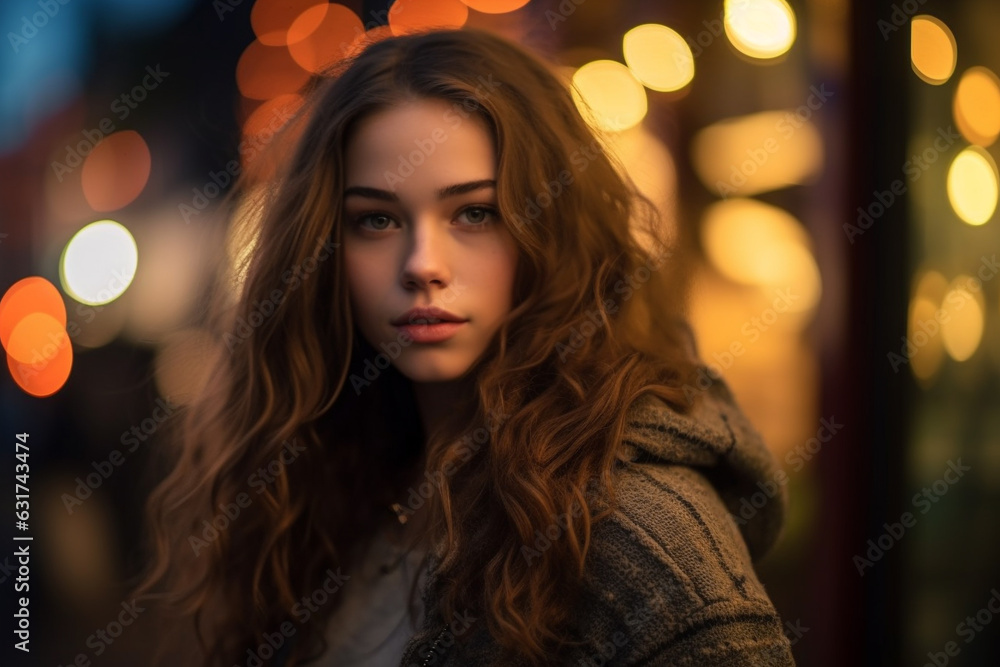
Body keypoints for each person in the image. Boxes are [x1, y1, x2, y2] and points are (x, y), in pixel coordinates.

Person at [134, 27, 796, 667]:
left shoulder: (641, 539)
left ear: (556, 228)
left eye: (475, 212)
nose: (423, 263)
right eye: (377, 219)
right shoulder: (328, 487)